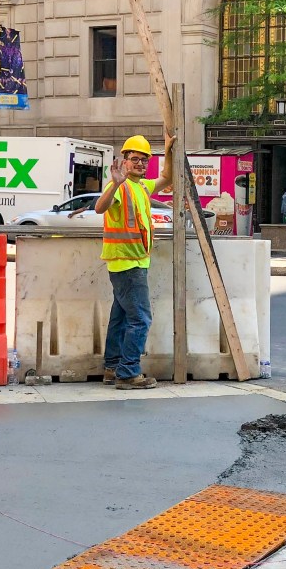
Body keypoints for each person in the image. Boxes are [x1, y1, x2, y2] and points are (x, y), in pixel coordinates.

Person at [95, 132, 174, 389]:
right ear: (124, 161)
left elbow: (167, 178)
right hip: (128, 263)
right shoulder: (121, 185)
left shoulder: (141, 186)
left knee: (120, 318)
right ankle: (128, 372)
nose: (140, 163)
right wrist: (115, 183)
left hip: (131, 262)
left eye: (144, 160)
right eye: (135, 159)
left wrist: (169, 151)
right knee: (140, 318)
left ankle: (112, 366)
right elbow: (100, 208)